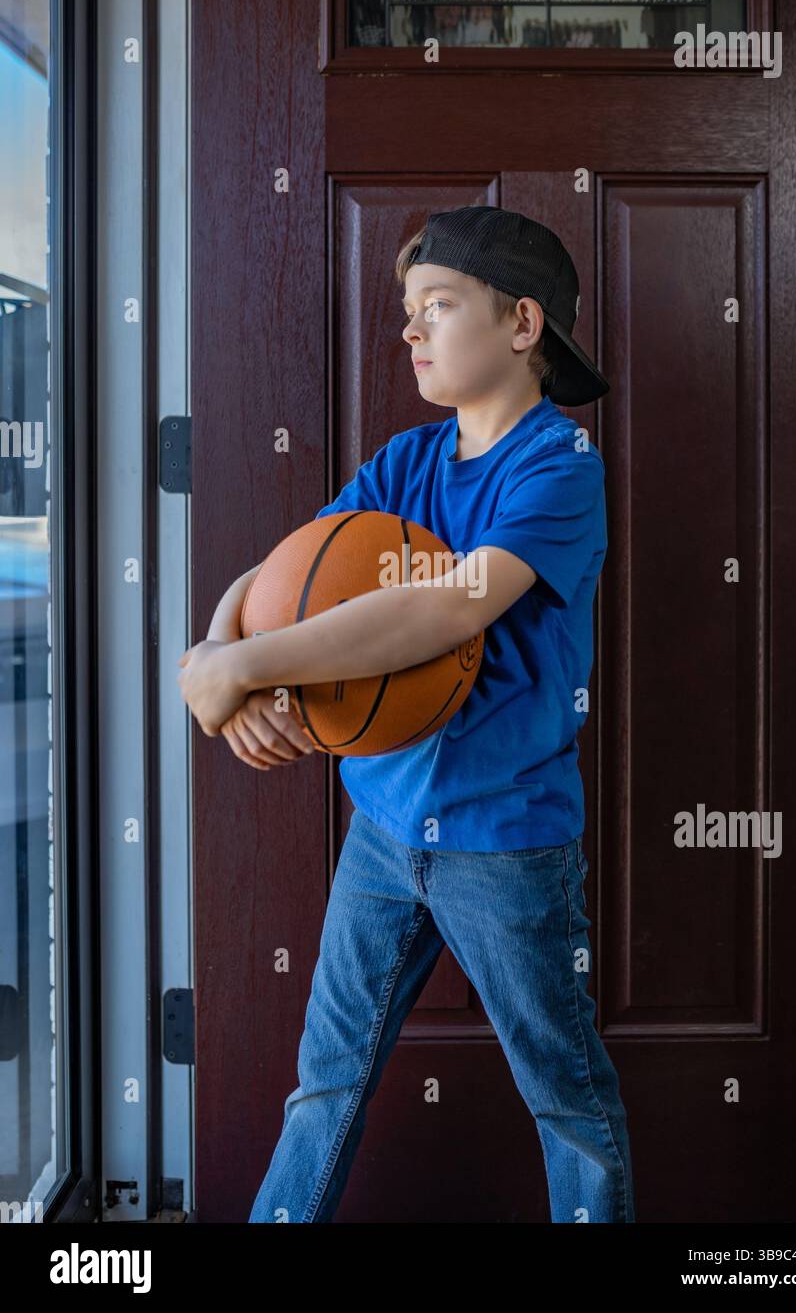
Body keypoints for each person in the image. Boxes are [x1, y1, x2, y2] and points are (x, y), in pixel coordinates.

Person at [178, 206, 636, 1223]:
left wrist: (246, 662)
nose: (410, 331)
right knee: (325, 1079)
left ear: (521, 324)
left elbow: (448, 603)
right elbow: (287, 570)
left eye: (436, 306)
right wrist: (227, 659)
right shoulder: (406, 460)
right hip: (382, 827)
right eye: (406, 312)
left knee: (562, 1093)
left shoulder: (558, 468)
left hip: (504, 842)